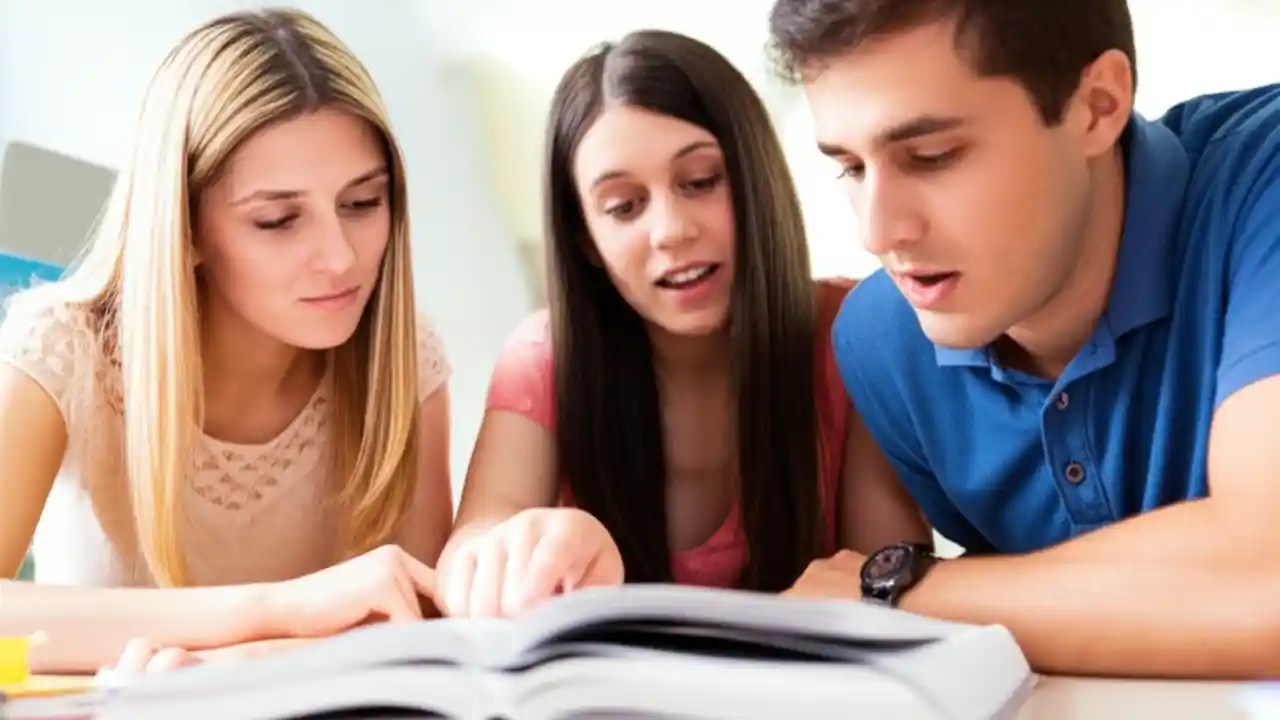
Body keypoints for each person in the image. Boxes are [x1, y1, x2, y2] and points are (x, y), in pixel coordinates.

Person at [768, 0, 1280, 678]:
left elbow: (1266, 574)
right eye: (853, 169)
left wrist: (896, 590)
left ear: (1097, 105)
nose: (878, 233)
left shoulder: (1261, 185)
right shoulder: (882, 343)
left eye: (932, 156)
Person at [0, 8, 453, 674]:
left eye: (362, 203)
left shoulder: (401, 355)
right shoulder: (62, 348)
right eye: (277, 220)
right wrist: (273, 609)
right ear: (184, 229)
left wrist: (237, 664)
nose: (340, 257)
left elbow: (430, 633)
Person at [435, 29, 929, 619]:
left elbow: (889, 582)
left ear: (757, 180)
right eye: (623, 207)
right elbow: (473, 552)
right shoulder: (545, 359)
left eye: (700, 183)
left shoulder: (854, 337)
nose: (671, 229)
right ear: (585, 240)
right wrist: (522, 550)